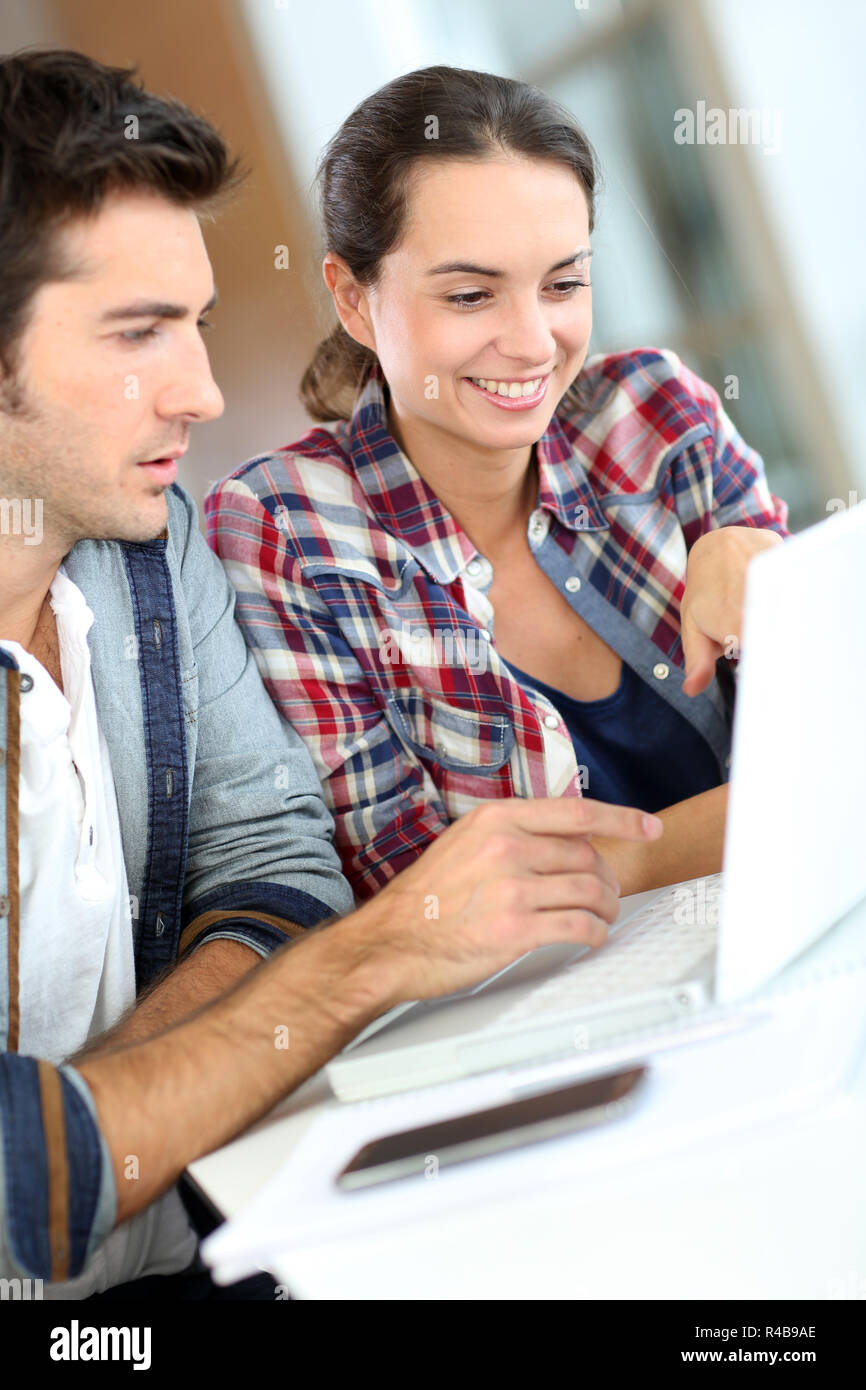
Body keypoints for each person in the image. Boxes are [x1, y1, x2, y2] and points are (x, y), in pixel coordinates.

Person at [0, 49, 665, 1300]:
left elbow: (274, 860)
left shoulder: (149, 559)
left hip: (217, 1243)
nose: (201, 391)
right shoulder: (268, 533)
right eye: (139, 333)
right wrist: (374, 957)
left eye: (195, 323)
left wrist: (106, 1106)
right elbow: (14, 1179)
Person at [207, 65, 789, 907]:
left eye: (562, 284)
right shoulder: (282, 529)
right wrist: (685, 849)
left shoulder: (659, 417)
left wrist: (766, 565)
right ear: (354, 299)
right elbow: (423, 898)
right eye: (473, 294)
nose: (531, 344)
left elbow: (842, 744)